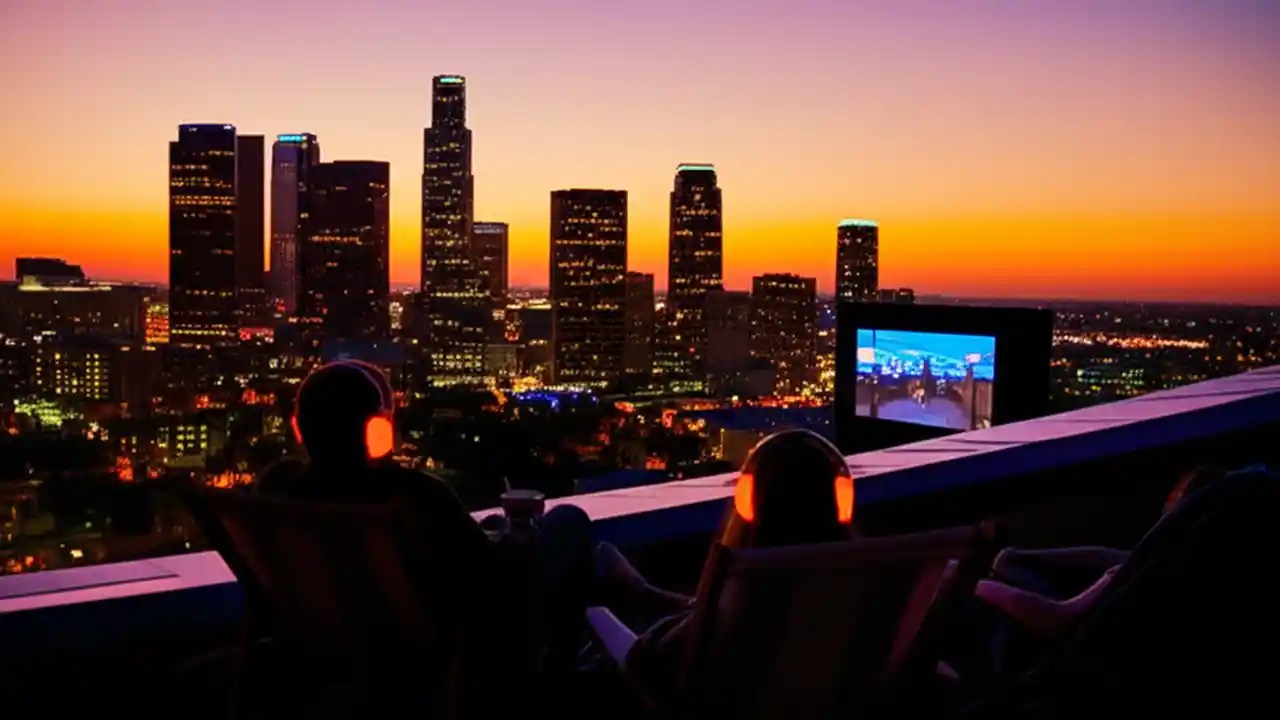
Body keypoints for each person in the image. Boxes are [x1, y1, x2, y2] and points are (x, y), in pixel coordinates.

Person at [258, 361, 593, 706]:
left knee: (507, 528)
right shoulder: (413, 493)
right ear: (377, 430)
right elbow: (490, 579)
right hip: (451, 650)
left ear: (300, 429)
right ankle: (557, 681)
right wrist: (517, 540)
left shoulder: (282, 495)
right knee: (568, 520)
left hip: (328, 657)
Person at [594, 429, 858, 703]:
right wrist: (645, 593)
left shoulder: (750, 592)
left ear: (748, 500)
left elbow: (645, 664)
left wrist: (598, 612)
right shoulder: (858, 589)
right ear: (841, 502)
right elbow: (709, 612)